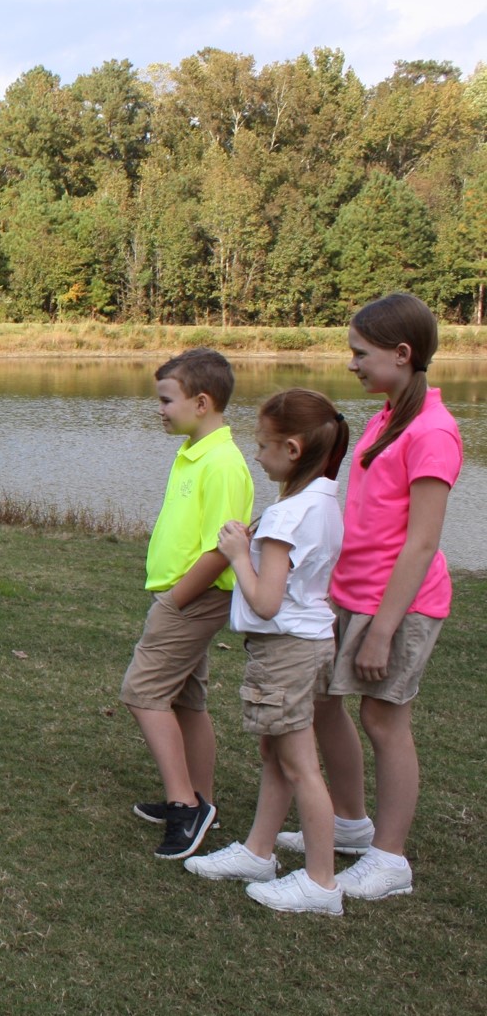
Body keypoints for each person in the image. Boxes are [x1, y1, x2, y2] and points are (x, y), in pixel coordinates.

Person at [276, 293, 460, 901]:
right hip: (350, 595)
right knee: (327, 702)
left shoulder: (434, 431)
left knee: (384, 719)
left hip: (398, 605)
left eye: (361, 352)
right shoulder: (387, 417)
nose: (351, 363)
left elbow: (422, 542)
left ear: (402, 355)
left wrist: (383, 627)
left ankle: (389, 859)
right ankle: (351, 825)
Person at [184, 390, 349, 915]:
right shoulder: (323, 501)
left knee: (300, 766)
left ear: (293, 449)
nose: (257, 455)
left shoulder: (286, 517)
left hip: (285, 651)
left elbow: (266, 600)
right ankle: (259, 851)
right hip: (313, 640)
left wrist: (237, 552)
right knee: (275, 755)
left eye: (263, 445)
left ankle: (321, 883)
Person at [123, 348, 254, 859]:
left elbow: (222, 547)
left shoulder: (222, 463)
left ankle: (185, 806)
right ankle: (202, 799)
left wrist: (177, 598)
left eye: (166, 400)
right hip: (185, 599)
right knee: (185, 699)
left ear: (202, 402)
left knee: (142, 692)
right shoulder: (194, 452)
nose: (159, 409)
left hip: (191, 601)